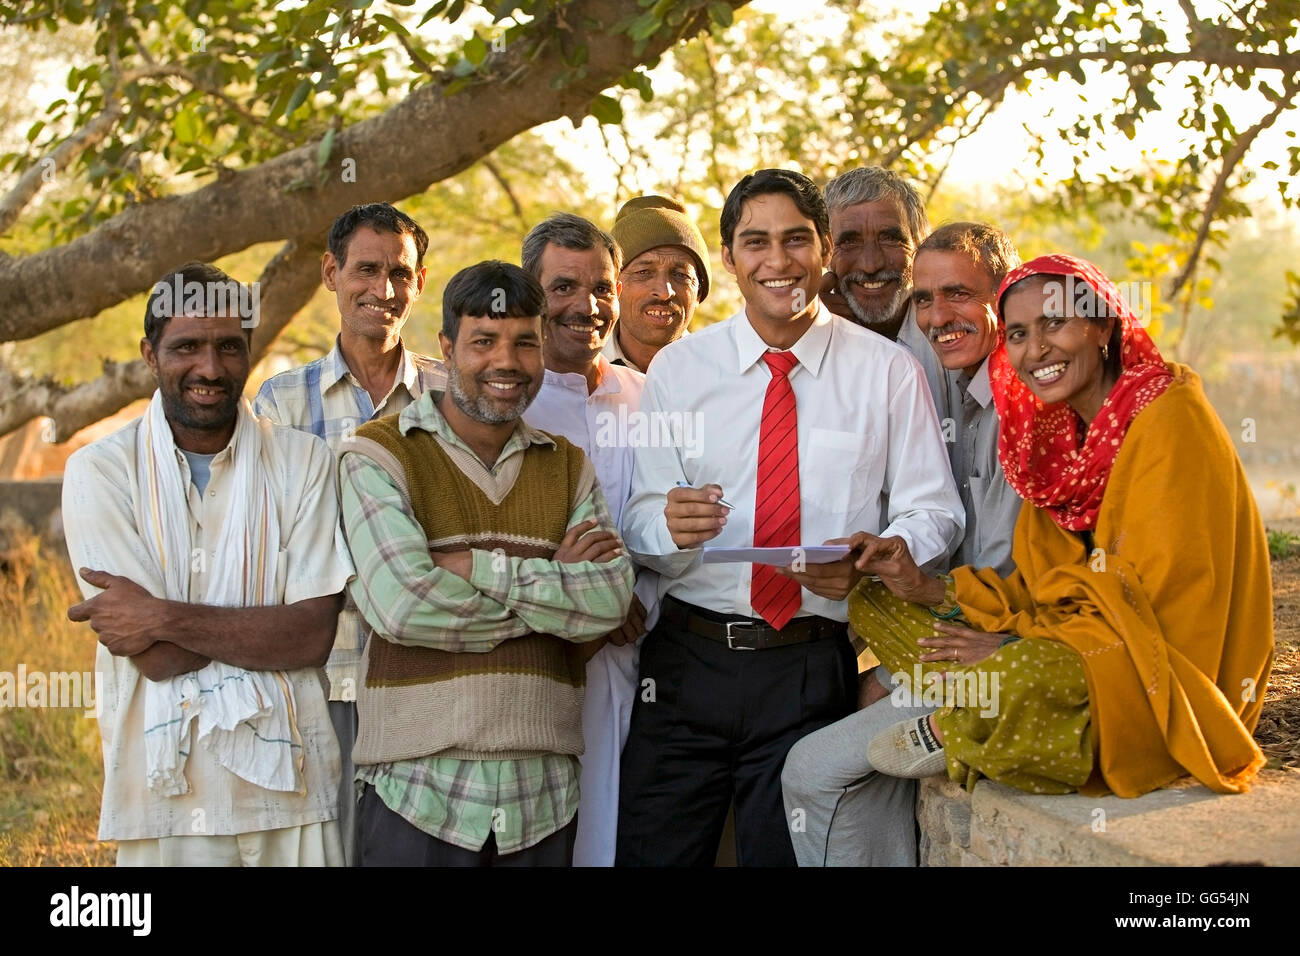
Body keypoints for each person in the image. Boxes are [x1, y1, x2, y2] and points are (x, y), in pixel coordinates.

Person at [617, 169, 963, 866]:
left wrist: (883, 551)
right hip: (684, 665)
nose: (778, 262)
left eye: (796, 240)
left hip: (808, 669)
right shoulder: (680, 373)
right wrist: (665, 525)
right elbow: (639, 518)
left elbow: (936, 510)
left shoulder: (888, 373)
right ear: (730, 259)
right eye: (756, 243)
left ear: (825, 247)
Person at [854, 253, 1273, 800]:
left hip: (1159, 670)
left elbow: (1163, 606)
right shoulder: (1057, 438)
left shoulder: (1169, 418)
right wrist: (927, 586)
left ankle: (962, 722)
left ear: (1102, 325)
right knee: (876, 599)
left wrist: (1012, 643)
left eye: (1056, 323)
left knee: (1025, 672)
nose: (1036, 350)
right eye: (1020, 334)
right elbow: (1041, 583)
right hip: (1063, 640)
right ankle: (992, 706)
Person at [338, 259, 635, 866]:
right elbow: (402, 606)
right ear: (447, 348)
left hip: (544, 802)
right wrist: (554, 597)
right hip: (417, 797)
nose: (507, 361)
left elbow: (608, 601)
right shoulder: (377, 453)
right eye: (483, 341)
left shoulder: (568, 464)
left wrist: (476, 568)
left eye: (525, 342)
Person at [62, 261, 350, 866]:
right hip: (164, 790)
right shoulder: (102, 471)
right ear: (149, 353)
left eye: (228, 347)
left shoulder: (303, 462)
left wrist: (159, 614)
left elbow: (310, 635)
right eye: (187, 346)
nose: (210, 368)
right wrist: (254, 627)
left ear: (250, 350)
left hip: (290, 790)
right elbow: (157, 658)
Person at [780, 220, 1024, 866]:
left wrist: (920, 631)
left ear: (1005, 297)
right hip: (959, 632)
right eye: (924, 300)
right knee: (867, 760)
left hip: (1008, 652)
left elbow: (1009, 581)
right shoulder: (955, 388)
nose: (937, 316)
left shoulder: (1021, 408)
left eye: (959, 295)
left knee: (808, 769)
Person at [254, 201, 444, 866]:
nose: (383, 289)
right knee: (331, 853)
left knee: (418, 850)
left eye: (399, 273)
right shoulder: (280, 404)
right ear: (331, 273)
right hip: (325, 672)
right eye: (366, 269)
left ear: (421, 282)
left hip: (432, 675)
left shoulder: (452, 396)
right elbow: (269, 543)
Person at [520, 213, 656, 866]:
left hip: (645, 659)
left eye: (602, 288)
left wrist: (633, 591)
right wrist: (591, 597)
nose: (588, 306)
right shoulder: (506, 405)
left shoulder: (651, 399)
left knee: (616, 832)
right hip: (537, 662)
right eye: (564, 287)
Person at [820, 166, 947, 412]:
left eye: (890, 239)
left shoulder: (953, 333)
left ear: (921, 244)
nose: (871, 264)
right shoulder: (804, 338)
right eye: (849, 242)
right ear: (825, 254)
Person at [604, 195, 711, 372]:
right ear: (613, 287)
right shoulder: (578, 372)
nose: (664, 292)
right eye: (644, 272)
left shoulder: (723, 376)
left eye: (680, 275)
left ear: (699, 293)